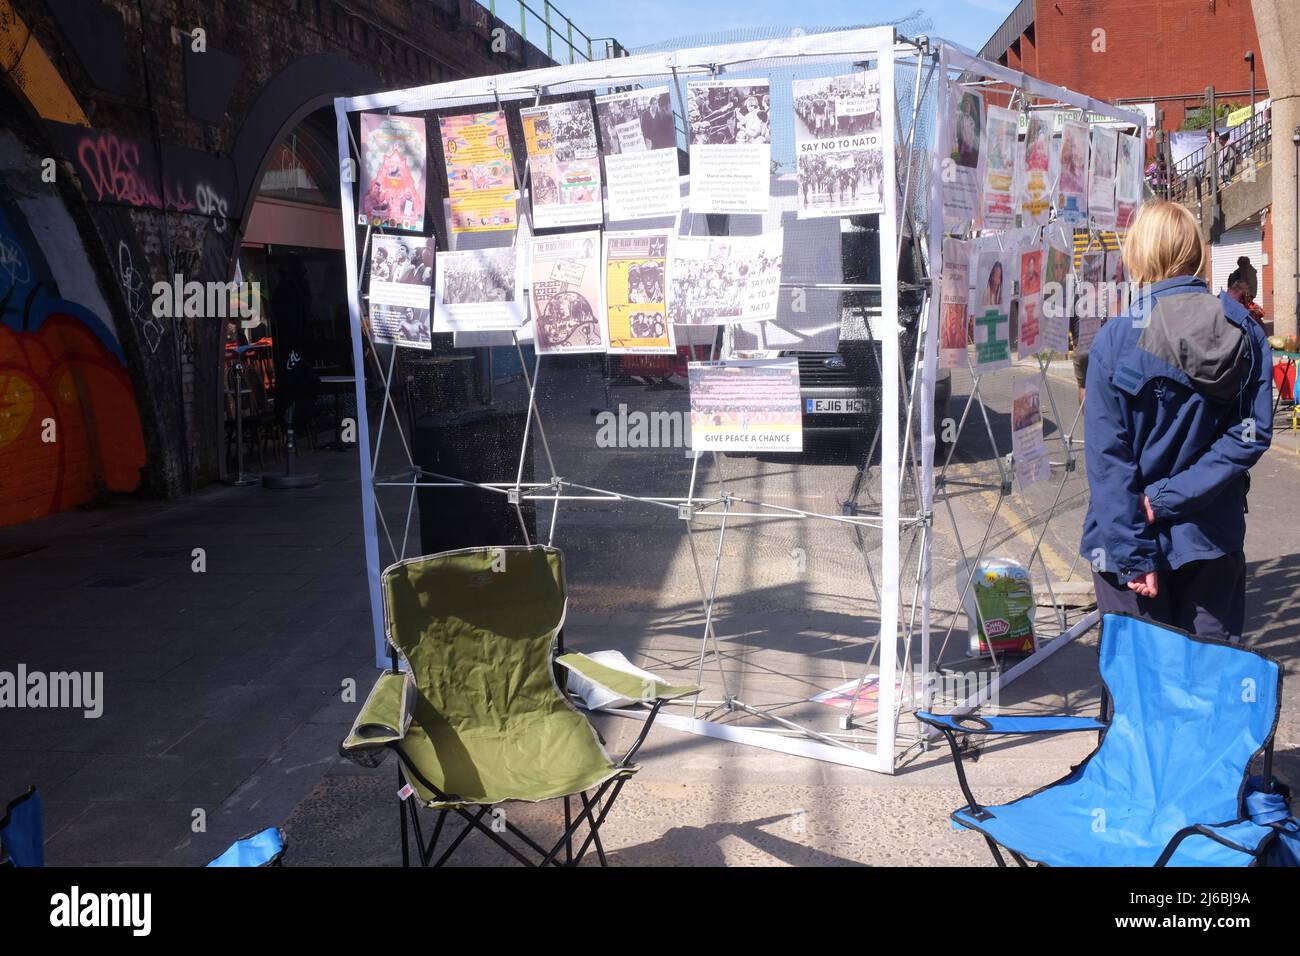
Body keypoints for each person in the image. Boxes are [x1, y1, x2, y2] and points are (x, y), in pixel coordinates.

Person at [1079, 200, 1271, 643]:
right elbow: (1251, 434)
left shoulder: (1116, 336)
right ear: (1195, 253)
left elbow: (1109, 461)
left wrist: (1133, 555)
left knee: (1139, 692)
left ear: (1139, 254)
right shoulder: (1245, 331)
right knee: (1207, 684)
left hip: (1128, 542)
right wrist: (1166, 498)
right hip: (1210, 538)